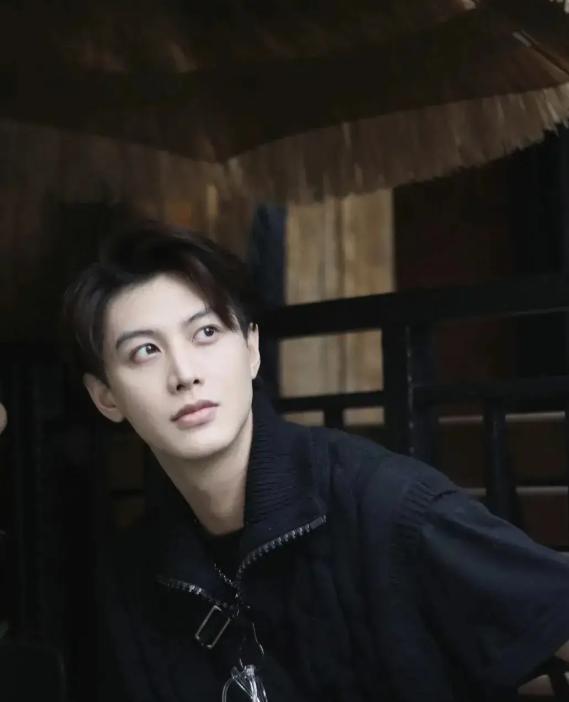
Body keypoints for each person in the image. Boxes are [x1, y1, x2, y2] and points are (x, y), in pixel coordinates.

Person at [62, 220, 569, 702]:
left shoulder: (388, 509)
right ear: (106, 397)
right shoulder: (134, 575)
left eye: (207, 333)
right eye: (145, 351)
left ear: (252, 348)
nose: (184, 374)